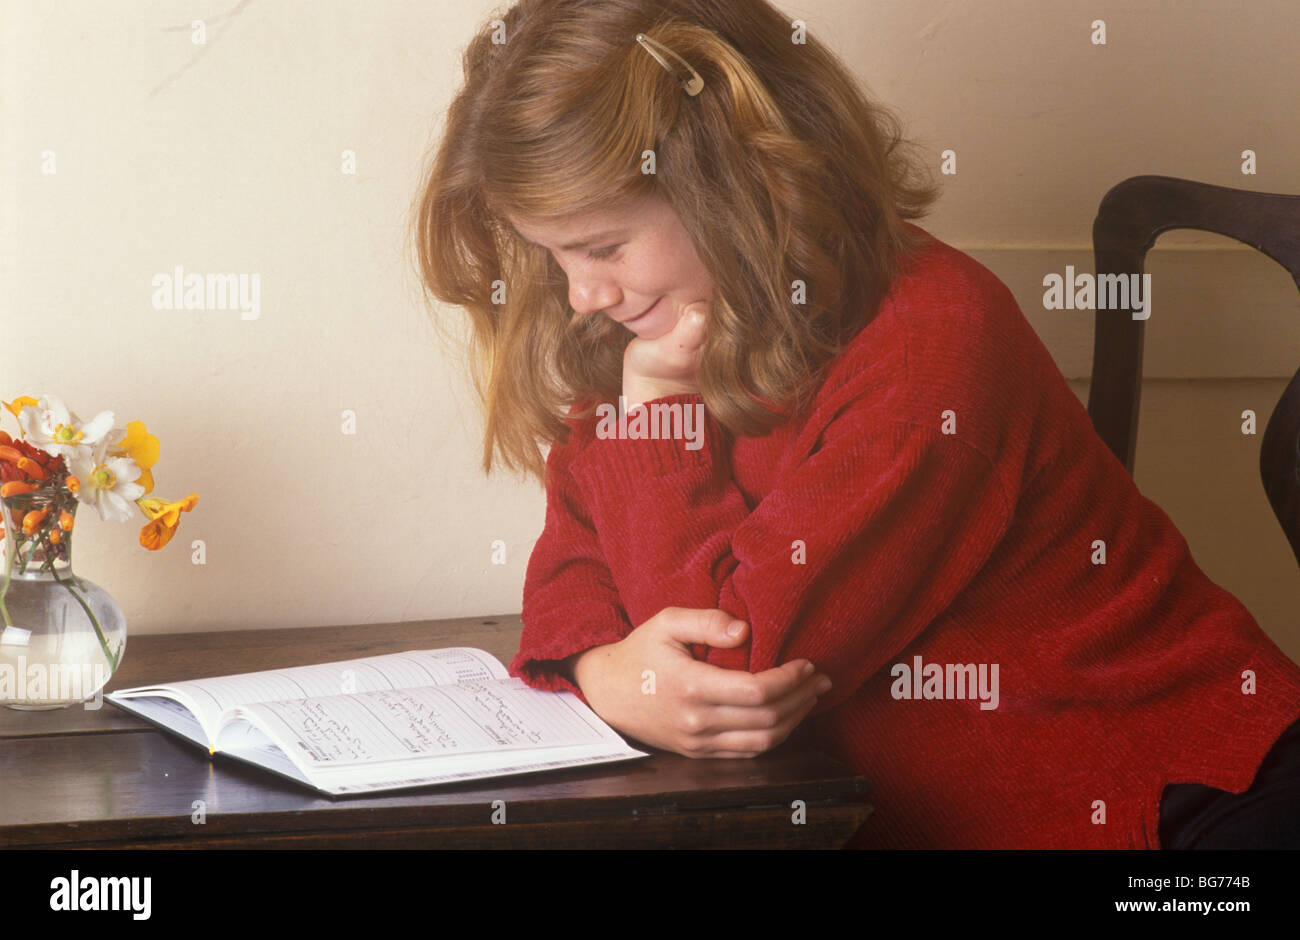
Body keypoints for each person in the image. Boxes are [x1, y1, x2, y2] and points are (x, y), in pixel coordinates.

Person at [409, 0, 1300, 848]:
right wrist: (610, 676)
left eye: (602, 247)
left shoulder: (932, 339)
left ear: (736, 189)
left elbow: (734, 667)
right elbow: (570, 571)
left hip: (1190, 811)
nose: (582, 295)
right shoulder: (649, 329)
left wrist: (663, 412)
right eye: (553, 254)